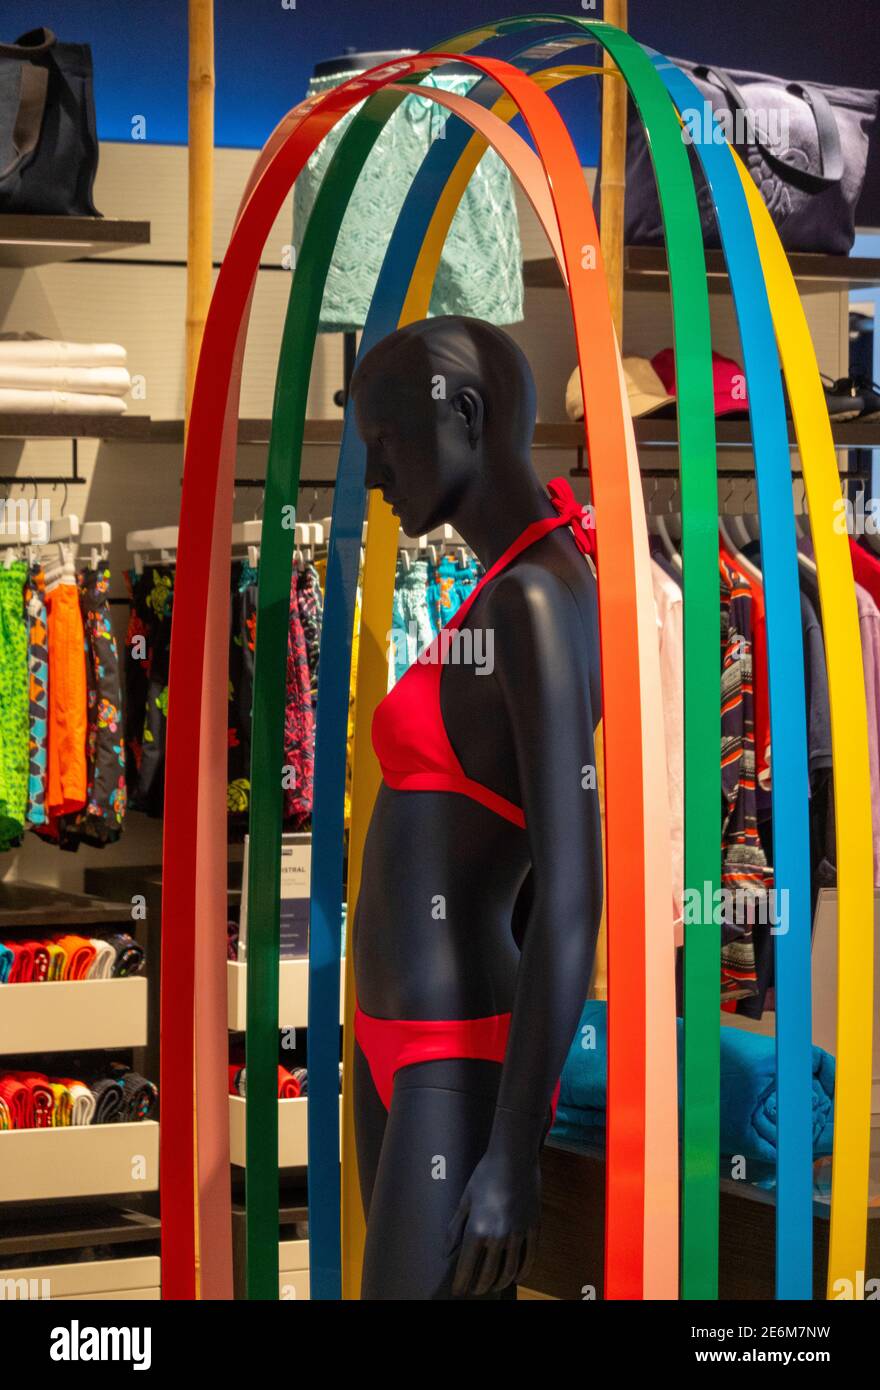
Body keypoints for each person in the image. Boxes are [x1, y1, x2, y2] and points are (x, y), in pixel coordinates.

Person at [351, 315, 603, 1299]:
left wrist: (517, 1148)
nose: (374, 477)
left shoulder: (533, 600)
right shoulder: (503, 589)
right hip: (394, 1039)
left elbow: (573, 893)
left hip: (454, 1055)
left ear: (461, 415)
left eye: (384, 442)